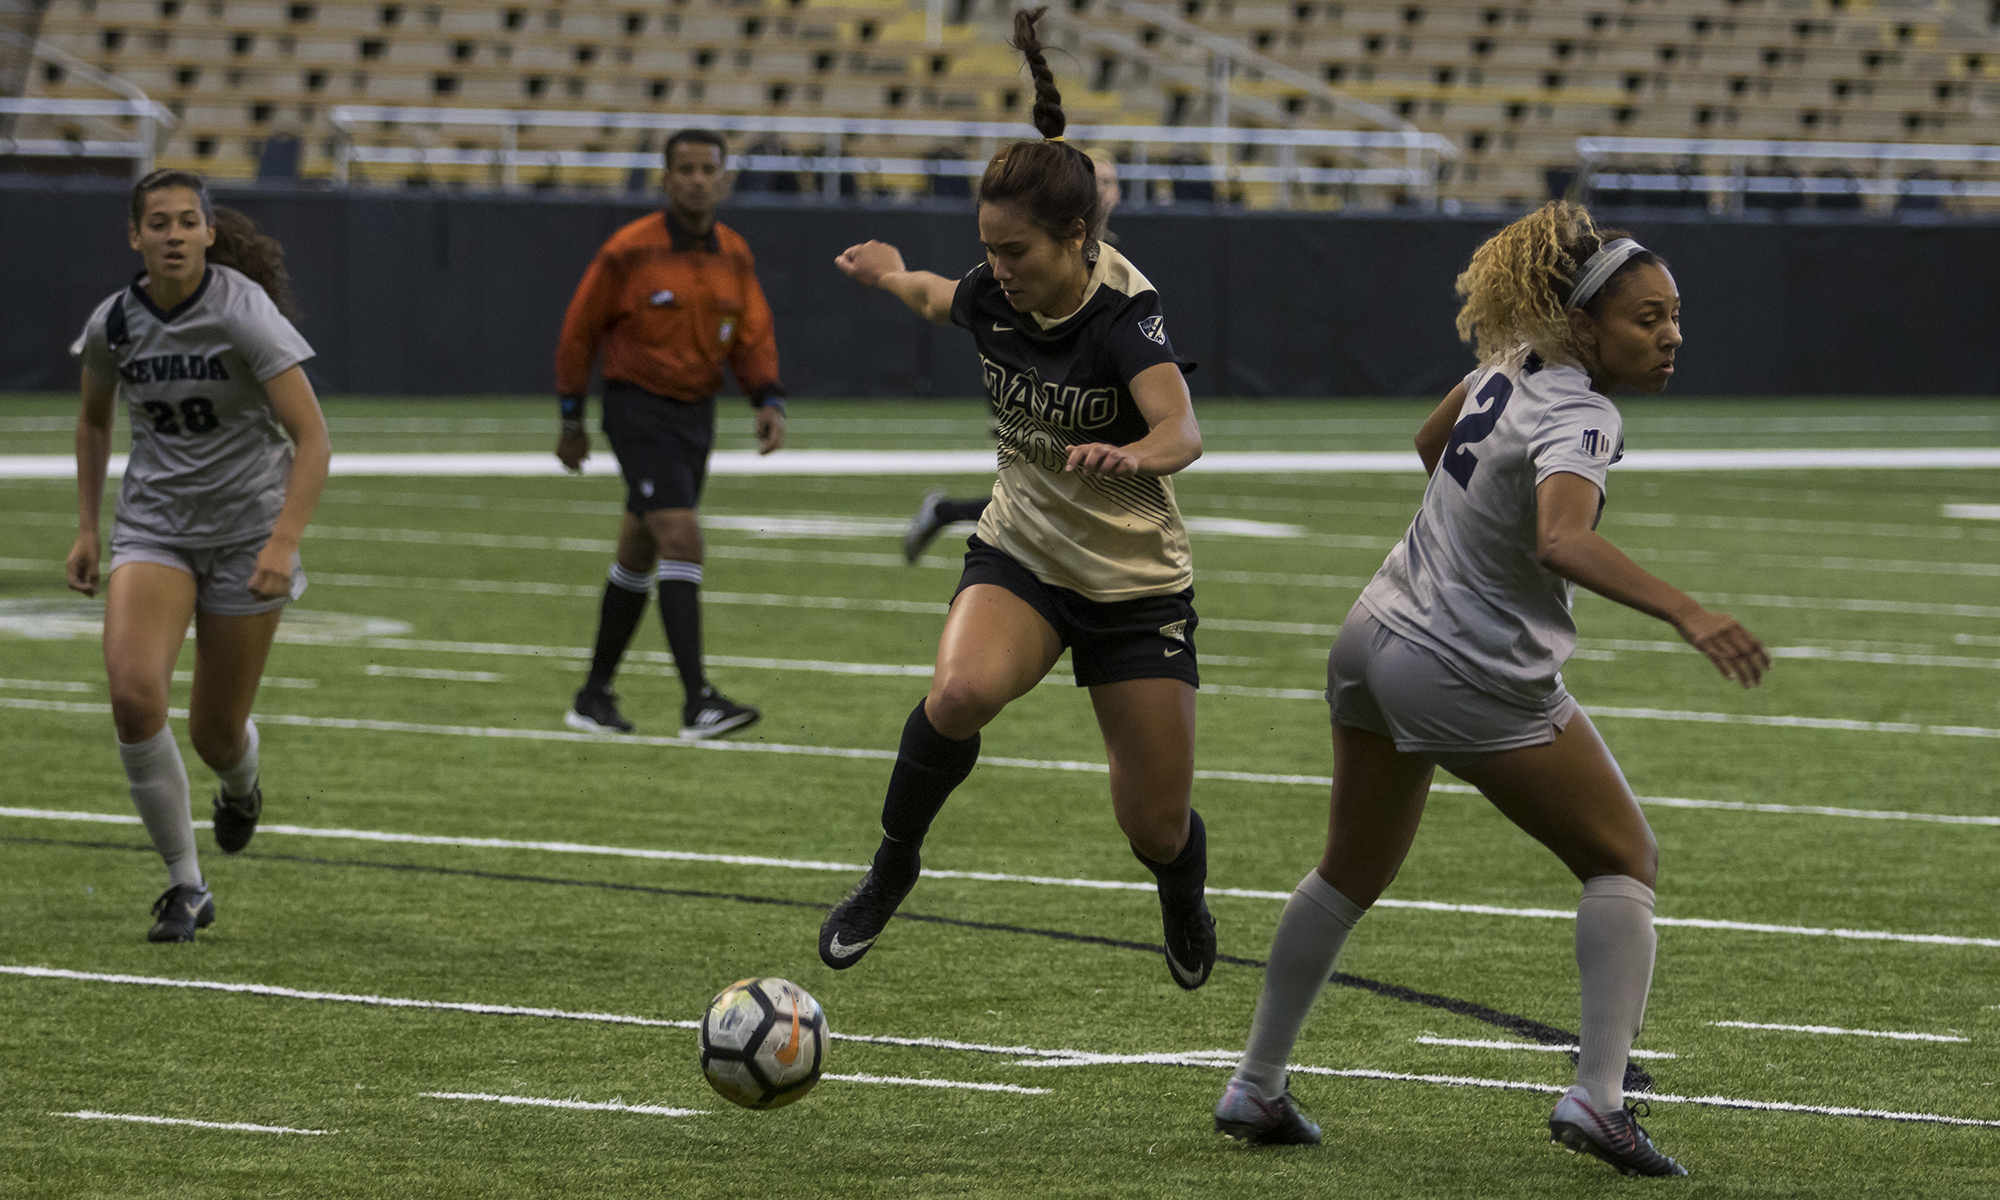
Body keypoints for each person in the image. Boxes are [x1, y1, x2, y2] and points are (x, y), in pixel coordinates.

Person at [1209, 201, 1770, 1177]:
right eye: (1646, 318)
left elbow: (1431, 445)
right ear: (1585, 326)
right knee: (1622, 857)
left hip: (1372, 632)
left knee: (1347, 871)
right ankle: (1597, 1100)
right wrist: (1687, 611)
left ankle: (1253, 1084)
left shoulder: (1511, 362)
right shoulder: (1583, 411)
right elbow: (1561, 537)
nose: (1670, 333)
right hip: (1459, 663)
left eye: (1674, 314)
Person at [824, 9, 1214, 989]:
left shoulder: (1125, 314)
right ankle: (890, 867)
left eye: (1016, 253)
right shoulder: (995, 291)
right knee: (956, 693)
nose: (997, 272)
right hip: (1025, 553)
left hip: (1132, 585)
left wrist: (1136, 461)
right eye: (988, 250)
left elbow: (1182, 428)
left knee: (1154, 824)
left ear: (1075, 238)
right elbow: (932, 295)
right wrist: (885, 275)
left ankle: (1179, 891)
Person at [67, 170, 331, 943]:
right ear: (135, 235)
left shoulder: (244, 311)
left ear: (211, 233)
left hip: (248, 533)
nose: (174, 234)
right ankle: (185, 883)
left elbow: (312, 438)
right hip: (154, 529)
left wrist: (283, 541)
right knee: (133, 698)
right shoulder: (114, 323)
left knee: (217, 732)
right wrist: (88, 529)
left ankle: (240, 786)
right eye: (159, 222)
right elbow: (91, 423)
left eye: (188, 221)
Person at [554, 128, 788, 739]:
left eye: (707, 168)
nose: (696, 179)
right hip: (638, 411)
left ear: (724, 178)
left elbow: (752, 331)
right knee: (681, 540)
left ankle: (592, 695)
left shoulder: (735, 253)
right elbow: (580, 332)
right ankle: (698, 702)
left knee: (639, 550)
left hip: (695, 417)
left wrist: (767, 397)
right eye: (683, 169)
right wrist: (571, 417)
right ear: (664, 179)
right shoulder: (628, 250)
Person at [899, 145, 1125, 564]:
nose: (1108, 191)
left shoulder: (1115, 271)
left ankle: (946, 514)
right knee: (1042, 491)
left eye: (1113, 182)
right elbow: (944, 298)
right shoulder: (1028, 262)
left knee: (1055, 497)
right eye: (1100, 182)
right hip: (1039, 382)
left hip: (1083, 392)